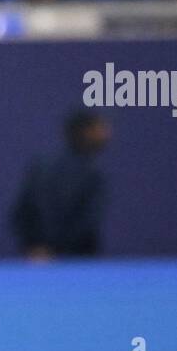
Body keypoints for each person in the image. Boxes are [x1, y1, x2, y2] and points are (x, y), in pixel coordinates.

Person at [12, 109, 112, 259]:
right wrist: (52, 251)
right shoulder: (92, 176)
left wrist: (37, 247)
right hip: (76, 263)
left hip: (40, 258)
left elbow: (20, 214)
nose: (107, 133)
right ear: (86, 132)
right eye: (100, 128)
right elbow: (85, 223)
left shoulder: (40, 166)